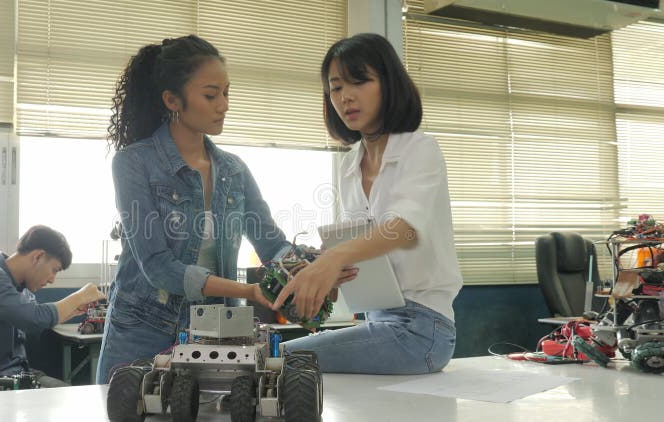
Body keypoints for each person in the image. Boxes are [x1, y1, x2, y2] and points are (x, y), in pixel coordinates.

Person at [95, 35, 299, 384]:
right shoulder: (133, 163)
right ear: (173, 99)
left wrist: (305, 267)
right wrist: (247, 291)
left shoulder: (234, 170)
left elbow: (271, 244)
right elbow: (158, 267)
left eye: (226, 92)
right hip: (142, 330)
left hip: (215, 330)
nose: (224, 105)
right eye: (210, 95)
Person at [272, 33, 463, 375]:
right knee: (269, 354)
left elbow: (402, 229)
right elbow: (364, 248)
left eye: (359, 81)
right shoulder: (349, 164)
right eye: (335, 88)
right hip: (378, 320)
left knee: (276, 360)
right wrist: (324, 272)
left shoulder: (420, 149)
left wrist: (334, 258)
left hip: (423, 329)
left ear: (389, 84)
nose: (345, 97)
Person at [0, 225, 105, 387]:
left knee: (71, 397)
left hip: (17, 373)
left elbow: (38, 318)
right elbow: (34, 318)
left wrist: (75, 309)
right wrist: (79, 296)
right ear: (38, 257)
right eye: (54, 270)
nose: (52, 279)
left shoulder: (20, 288)